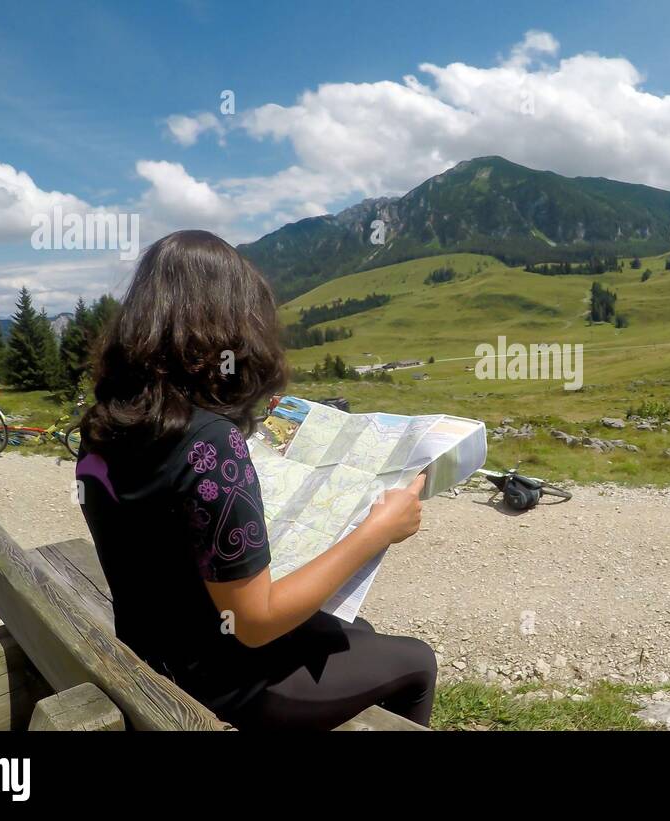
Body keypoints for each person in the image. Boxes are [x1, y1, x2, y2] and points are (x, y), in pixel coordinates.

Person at [76, 230, 436, 730]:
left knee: (353, 631)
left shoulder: (106, 426)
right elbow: (254, 621)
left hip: (151, 650)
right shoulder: (211, 443)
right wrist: (378, 530)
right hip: (219, 684)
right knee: (417, 661)